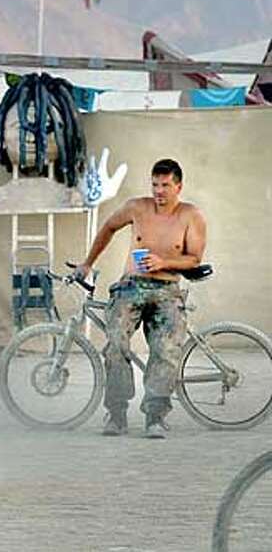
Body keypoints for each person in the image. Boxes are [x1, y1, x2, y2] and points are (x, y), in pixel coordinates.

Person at [73, 158, 206, 438]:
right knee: (115, 345)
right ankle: (117, 413)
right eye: (155, 184)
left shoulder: (191, 215)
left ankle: (155, 416)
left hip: (167, 289)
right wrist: (87, 262)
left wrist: (163, 261)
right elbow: (108, 227)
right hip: (131, 287)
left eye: (165, 185)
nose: (159, 191)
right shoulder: (137, 207)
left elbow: (194, 258)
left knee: (165, 351)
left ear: (178, 186)